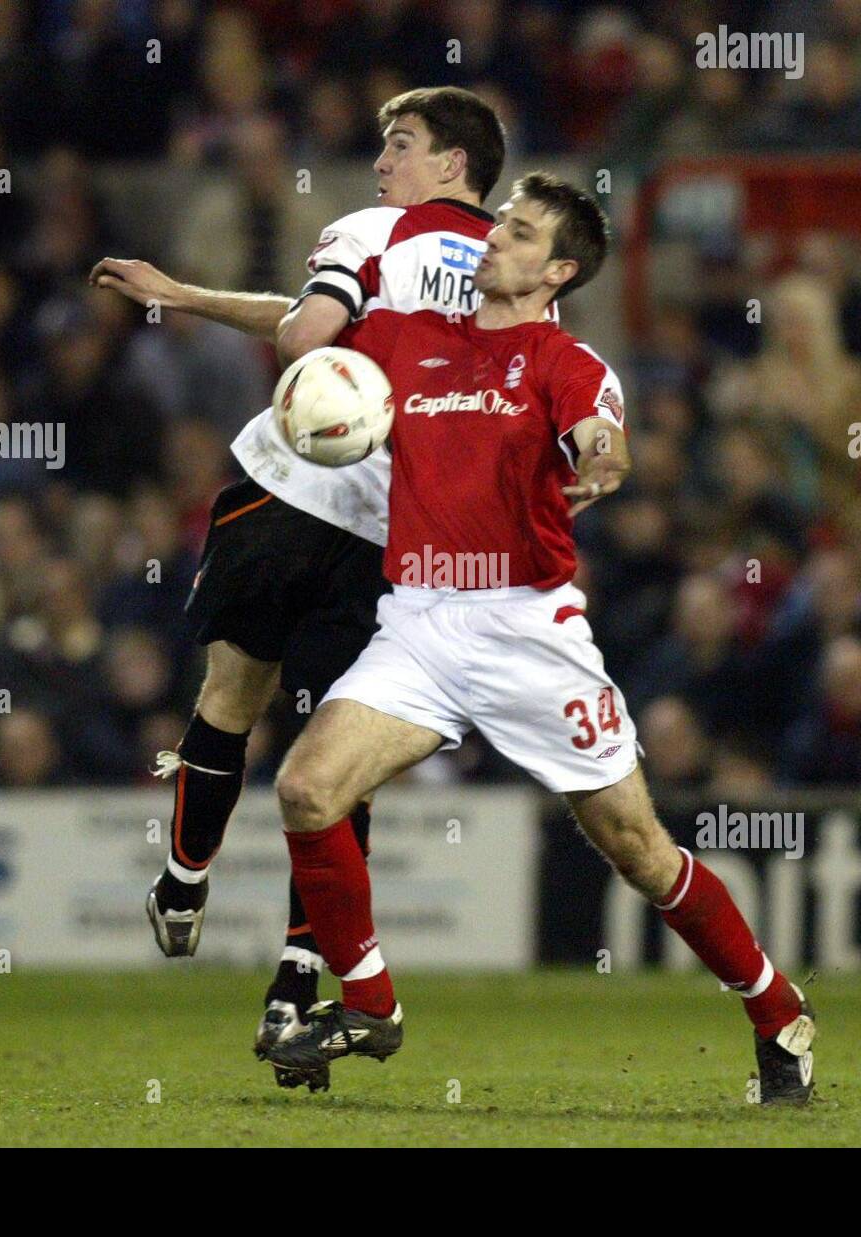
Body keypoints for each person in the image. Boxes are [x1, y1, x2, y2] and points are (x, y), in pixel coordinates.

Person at [264, 174, 817, 1104]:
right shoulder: (411, 336)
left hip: (527, 628)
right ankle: (370, 1004)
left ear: (559, 268)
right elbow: (299, 325)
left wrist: (602, 463)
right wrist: (183, 298)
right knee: (307, 789)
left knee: (639, 849)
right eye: (498, 225)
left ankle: (777, 1009)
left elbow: (604, 435)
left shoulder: (565, 362)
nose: (493, 241)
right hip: (420, 621)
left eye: (517, 234)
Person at [89, 87, 507, 1066]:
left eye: (400, 145)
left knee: (231, 699)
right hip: (393, 541)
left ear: (452, 164)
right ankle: (294, 984)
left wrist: (219, 314)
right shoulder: (518, 276)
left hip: (290, 492)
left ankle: (187, 876)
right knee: (335, 761)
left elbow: (303, 330)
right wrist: (192, 293)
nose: (381, 164)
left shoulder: (372, 230)